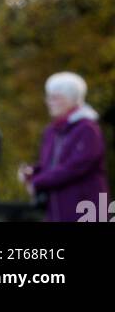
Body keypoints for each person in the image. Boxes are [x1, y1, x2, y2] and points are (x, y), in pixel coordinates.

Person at [19, 72, 110, 222]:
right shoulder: (52, 131)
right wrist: (33, 172)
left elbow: (74, 167)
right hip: (57, 212)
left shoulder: (87, 129)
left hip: (86, 213)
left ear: (72, 100)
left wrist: (38, 182)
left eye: (55, 97)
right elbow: (51, 165)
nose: (49, 102)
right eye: (48, 97)